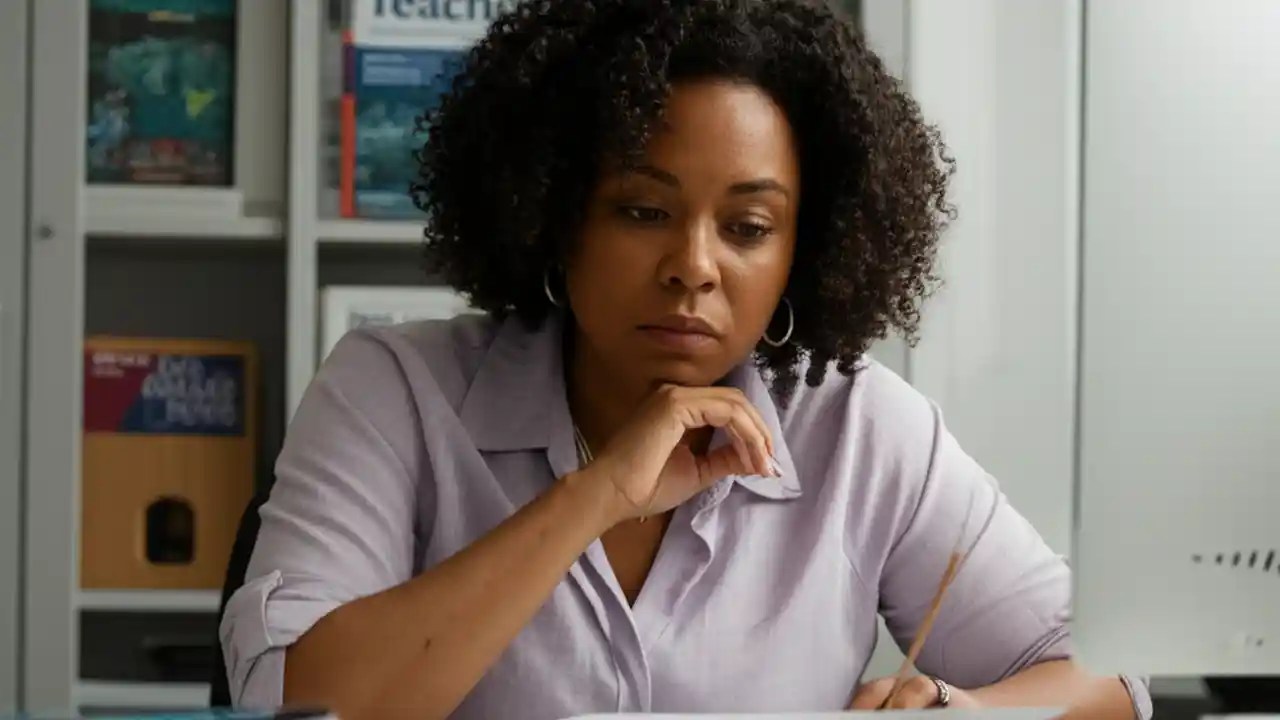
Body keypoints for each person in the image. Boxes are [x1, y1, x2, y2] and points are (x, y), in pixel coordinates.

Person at [220, 1, 1152, 718]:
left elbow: (1111, 674)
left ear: (804, 249)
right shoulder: (396, 389)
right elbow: (297, 701)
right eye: (641, 211)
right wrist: (597, 497)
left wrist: (973, 710)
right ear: (554, 212)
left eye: (748, 228)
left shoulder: (858, 429)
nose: (693, 268)